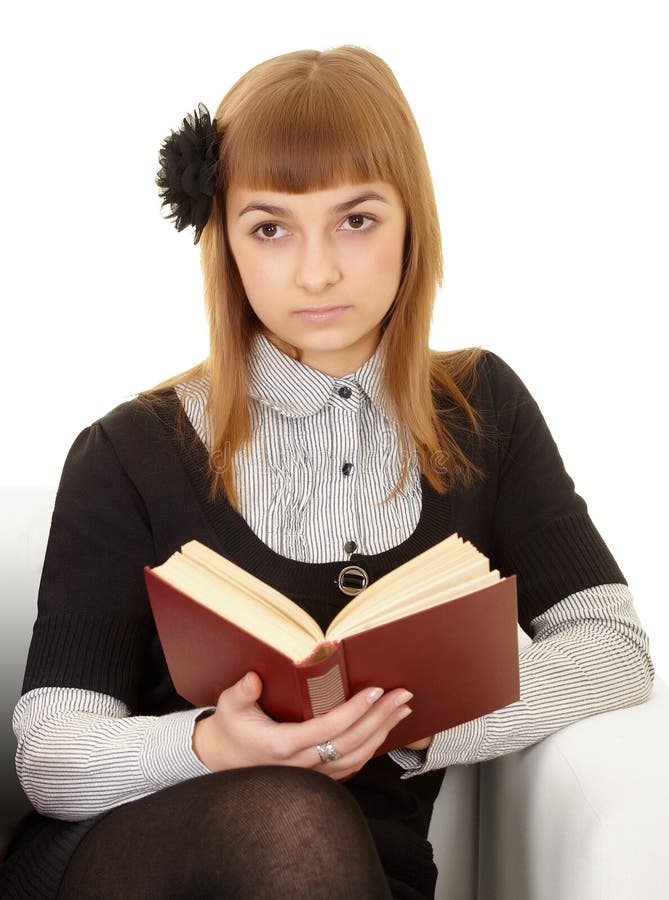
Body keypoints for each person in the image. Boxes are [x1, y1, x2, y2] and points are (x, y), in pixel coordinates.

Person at [1, 45, 654, 900]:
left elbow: (614, 650)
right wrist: (211, 746)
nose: (316, 271)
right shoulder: (128, 450)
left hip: (360, 869)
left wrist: (415, 729)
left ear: (410, 220)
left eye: (356, 219)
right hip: (140, 857)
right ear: (226, 244)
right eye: (270, 227)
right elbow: (52, 754)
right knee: (288, 817)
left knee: (312, 835)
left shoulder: (482, 409)